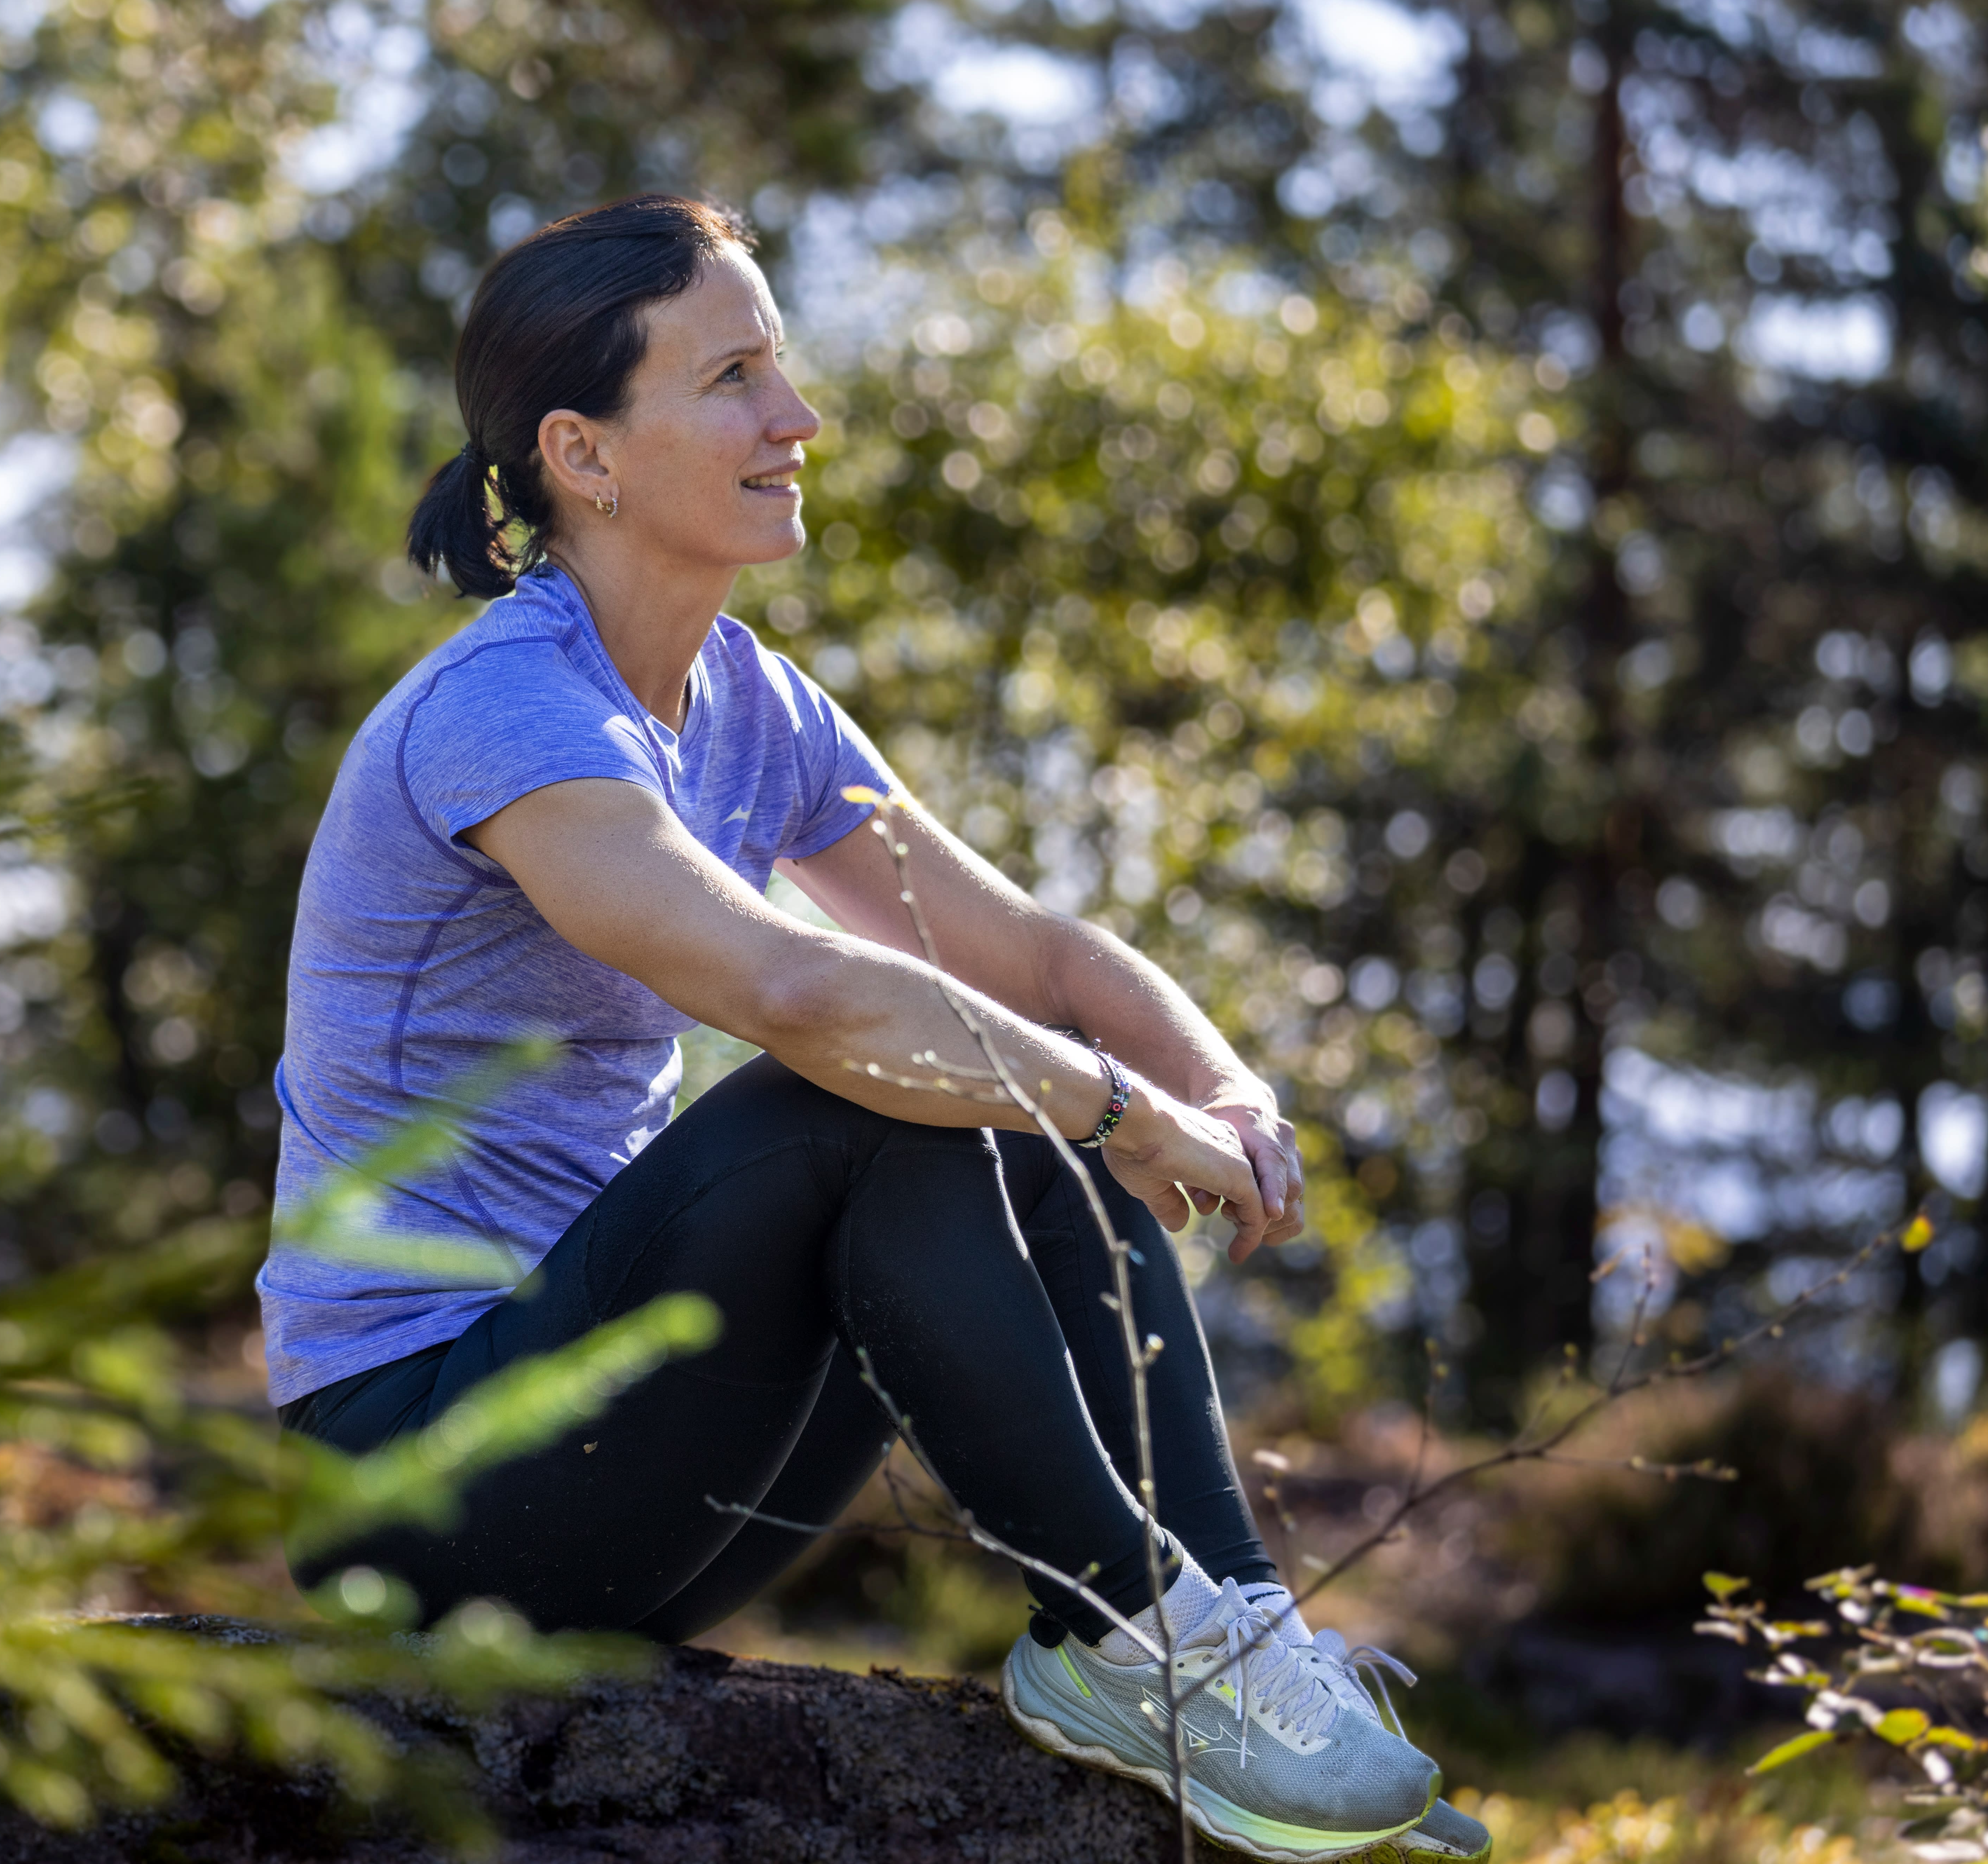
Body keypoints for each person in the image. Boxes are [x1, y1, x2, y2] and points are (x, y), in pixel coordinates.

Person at [256, 192, 1490, 1864]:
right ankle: (1137, 1636)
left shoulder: (751, 703)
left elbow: (1033, 952)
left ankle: (1245, 1666)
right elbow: (795, 995)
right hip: (416, 1482)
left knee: (986, 1087)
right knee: (870, 1092)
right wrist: (1120, 1111)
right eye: (734, 377)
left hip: (633, 1457)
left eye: (783, 367)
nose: (795, 419)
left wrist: (1218, 1082)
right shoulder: (505, 709)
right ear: (584, 453)